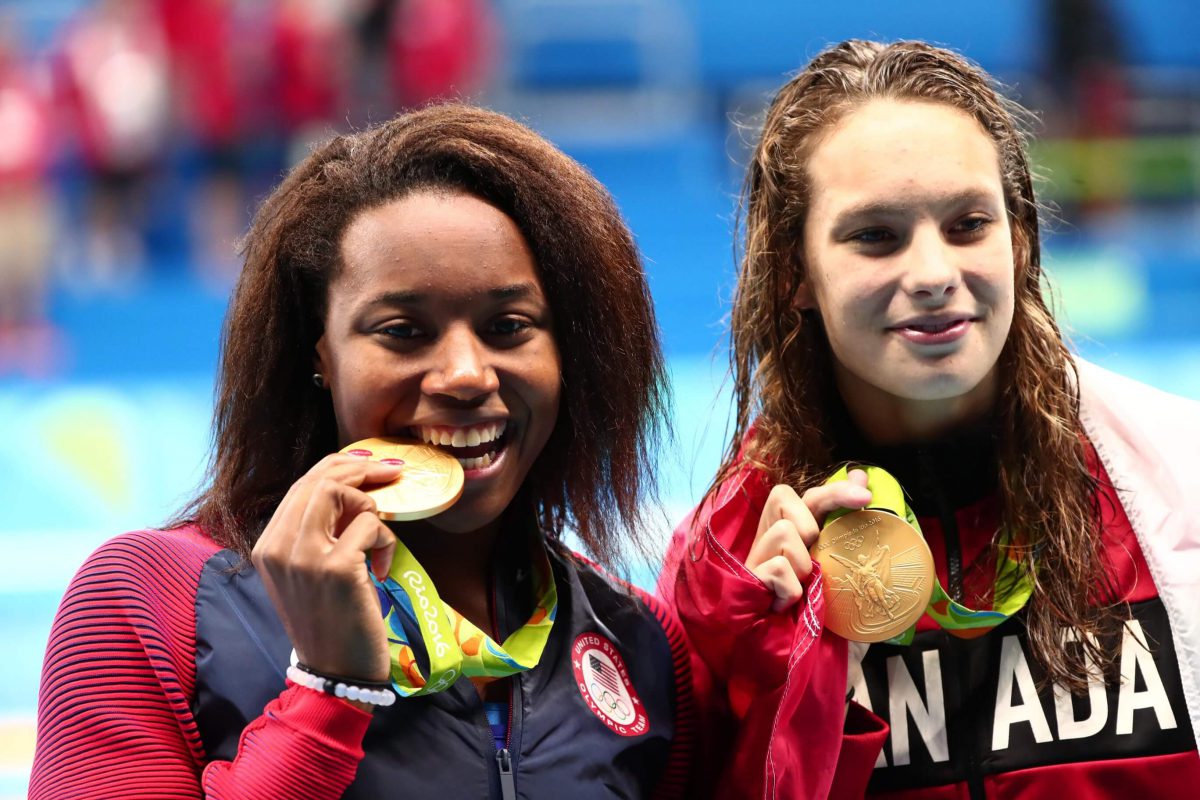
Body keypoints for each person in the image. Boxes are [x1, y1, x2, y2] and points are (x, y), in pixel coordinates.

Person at [31, 104, 694, 799]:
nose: (467, 374)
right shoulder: (147, 603)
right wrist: (328, 690)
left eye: (509, 326)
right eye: (404, 331)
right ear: (322, 356)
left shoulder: (637, 640)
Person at [660, 39, 1200, 798]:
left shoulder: (1180, 476)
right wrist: (775, 672)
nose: (934, 275)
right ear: (795, 275)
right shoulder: (729, 567)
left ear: (1018, 240)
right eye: (875, 236)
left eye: (967, 224)